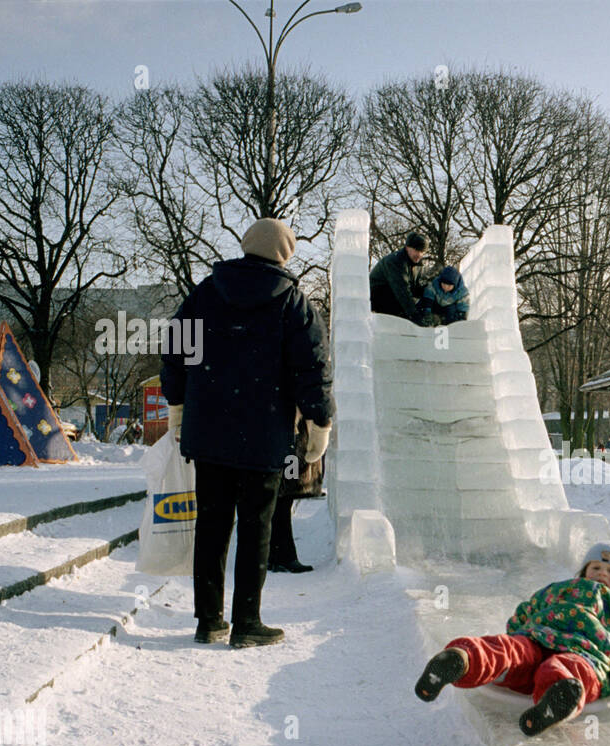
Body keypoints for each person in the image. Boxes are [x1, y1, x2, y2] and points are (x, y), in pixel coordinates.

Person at [162, 217, 334, 647]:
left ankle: (208, 620)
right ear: (284, 253)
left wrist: (177, 402)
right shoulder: (293, 303)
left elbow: (177, 350)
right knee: (256, 526)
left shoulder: (205, 293)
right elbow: (312, 368)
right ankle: (247, 624)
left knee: (212, 524)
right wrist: (319, 422)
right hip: (264, 434)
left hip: (209, 431)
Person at [412, 541, 610, 737]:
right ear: (583, 571)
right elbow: (528, 609)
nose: (602, 573)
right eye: (595, 567)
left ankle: (556, 700)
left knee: (567, 670)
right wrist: (519, 631)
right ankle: (462, 660)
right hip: (537, 637)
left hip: (586, 653)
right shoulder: (561, 588)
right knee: (510, 650)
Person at [268, 411, 325, 574]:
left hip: (284, 432)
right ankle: (284, 555)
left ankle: (275, 555)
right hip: (291, 436)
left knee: (281, 496)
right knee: (285, 494)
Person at [369, 232, 429, 322]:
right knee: (408, 311)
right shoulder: (395, 261)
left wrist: (432, 290)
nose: (419, 255)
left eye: (422, 252)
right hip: (378, 297)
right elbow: (402, 290)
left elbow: (414, 289)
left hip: (395, 296)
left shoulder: (417, 265)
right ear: (407, 247)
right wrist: (414, 316)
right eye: (416, 250)